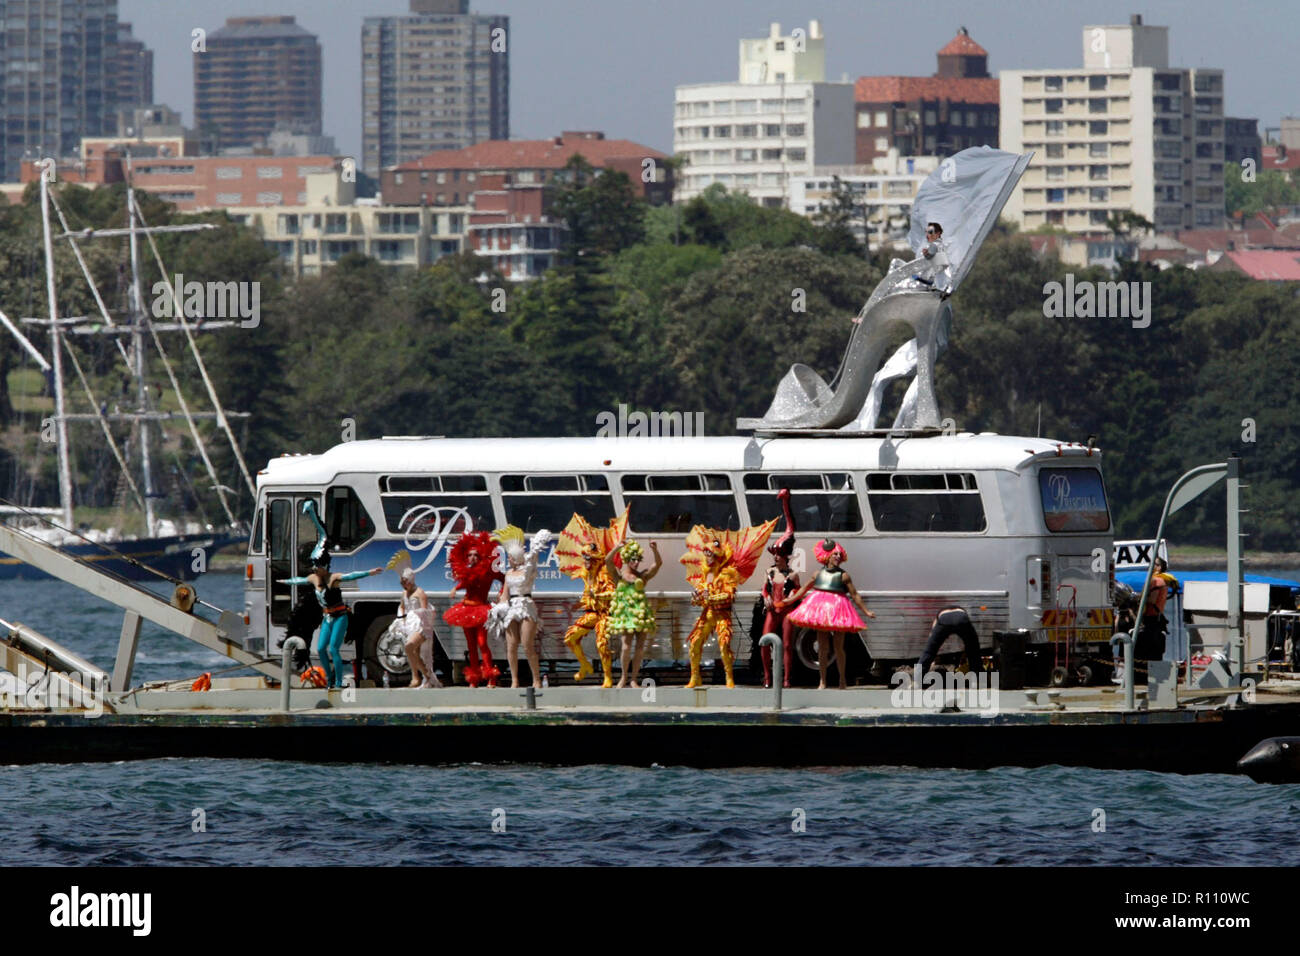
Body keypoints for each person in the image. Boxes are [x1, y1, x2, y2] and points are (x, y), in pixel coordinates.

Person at [681, 518, 777, 689]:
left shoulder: (727, 574)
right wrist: (696, 597)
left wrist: (710, 597)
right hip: (707, 614)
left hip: (722, 614)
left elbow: (729, 596)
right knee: (695, 642)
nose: (707, 556)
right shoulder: (704, 574)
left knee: (724, 645)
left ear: (717, 555)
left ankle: (729, 677)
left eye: (709, 553)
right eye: (706, 553)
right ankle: (695, 676)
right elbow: (699, 600)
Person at [786, 539, 876, 689]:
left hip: (839, 609)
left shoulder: (844, 576)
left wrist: (866, 611)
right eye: (835, 554)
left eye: (839, 555)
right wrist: (791, 600)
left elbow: (854, 595)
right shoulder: (817, 574)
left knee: (839, 647)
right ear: (827, 555)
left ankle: (842, 680)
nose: (837, 557)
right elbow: (803, 590)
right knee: (822, 647)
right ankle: (822, 680)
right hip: (821, 609)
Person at [280, 563, 383, 689]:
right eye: (313, 567)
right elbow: (299, 581)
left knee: (334, 649)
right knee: (321, 649)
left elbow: (351, 576)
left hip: (340, 617)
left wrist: (369, 572)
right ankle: (330, 679)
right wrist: (284, 581)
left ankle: (338, 682)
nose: (315, 570)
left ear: (324, 568)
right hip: (327, 618)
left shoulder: (333, 578)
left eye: (317, 567)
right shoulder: (314, 578)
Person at [487, 528, 553, 690]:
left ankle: (536, 679)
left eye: (510, 557)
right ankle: (514, 680)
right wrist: (499, 608)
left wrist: (535, 549)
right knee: (511, 645)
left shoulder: (528, 570)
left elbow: (532, 561)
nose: (508, 559)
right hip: (511, 608)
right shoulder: (508, 573)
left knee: (527, 644)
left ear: (516, 558)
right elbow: (505, 594)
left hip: (526, 605)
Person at [444, 531, 504, 687]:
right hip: (466, 609)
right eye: (470, 555)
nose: (472, 558)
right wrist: (455, 589)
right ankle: (474, 678)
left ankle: (491, 676)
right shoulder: (467, 571)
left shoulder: (489, 572)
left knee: (482, 643)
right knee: (471, 645)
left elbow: (505, 579)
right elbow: (466, 582)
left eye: (475, 555)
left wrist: (502, 594)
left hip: (481, 609)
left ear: (481, 556)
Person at [605, 539, 662, 689]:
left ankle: (634, 679)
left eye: (637, 560)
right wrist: (617, 547)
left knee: (640, 647)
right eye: (632, 560)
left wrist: (654, 550)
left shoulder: (642, 576)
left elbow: (657, 565)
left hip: (641, 613)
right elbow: (608, 561)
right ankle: (624, 676)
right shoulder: (619, 575)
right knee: (625, 646)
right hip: (626, 615)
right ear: (626, 559)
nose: (636, 563)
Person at [758, 489, 801, 688]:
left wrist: (792, 596)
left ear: (786, 555)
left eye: (778, 554)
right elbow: (764, 589)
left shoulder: (793, 575)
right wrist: (765, 597)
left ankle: (786, 679)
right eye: (774, 553)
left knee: (786, 645)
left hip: (786, 611)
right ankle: (767, 677)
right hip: (772, 610)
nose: (775, 556)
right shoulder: (770, 571)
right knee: (765, 642)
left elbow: (799, 593)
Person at [386, 567, 441, 688]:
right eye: (402, 583)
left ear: (410, 581)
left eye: (405, 583)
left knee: (409, 646)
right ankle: (427, 677)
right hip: (410, 625)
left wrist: (420, 614)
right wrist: (400, 618)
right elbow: (402, 607)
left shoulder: (420, 593)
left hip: (421, 626)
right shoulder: (404, 593)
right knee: (414, 652)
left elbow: (426, 611)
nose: (404, 586)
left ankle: (417, 677)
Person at [1135, 557, 1178, 661]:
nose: (1151, 566)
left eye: (1154, 564)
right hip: (1155, 620)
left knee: (1147, 652)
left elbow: (1152, 600)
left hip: (1151, 620)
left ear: (1159, 567)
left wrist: (1138, 598)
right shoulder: (1160, 580)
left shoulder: (1156, 581)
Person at [916, 607, 983, 675]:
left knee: (929, 652)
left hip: (944, 619)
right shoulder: (961, 611)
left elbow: (932, 635)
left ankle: (918, 678)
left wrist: (931, 647)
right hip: (961, 618)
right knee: (974, 650)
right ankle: (978, 677)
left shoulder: (940, 614)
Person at [909, 222, 951, 290]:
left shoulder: (934, 245)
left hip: (935, 281)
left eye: (931, 232)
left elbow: (928, 257)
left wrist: (925, 253)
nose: (928, 235)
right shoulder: (941, 244)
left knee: (913, 277)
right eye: (927, 232)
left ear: (938, 233)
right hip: (941, 280)